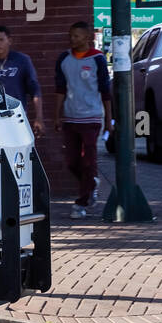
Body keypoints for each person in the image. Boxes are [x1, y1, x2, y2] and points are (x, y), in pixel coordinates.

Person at [54, 22, 113, 219]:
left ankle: (81, 203)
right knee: (72, 161)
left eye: (77, 36)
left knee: (89, 161)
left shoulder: (98, 59)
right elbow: (60, 89)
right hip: (71, 117)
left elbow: (105, 91)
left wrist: (109, 118)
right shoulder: (64, 58)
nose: (73, 39)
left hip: (92, 117)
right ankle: (92, 184)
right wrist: (57, 114)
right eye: (71, 35)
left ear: (87, 37)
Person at [0, 25, 45, 135]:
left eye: (1, 40)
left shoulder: (22, 60)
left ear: (9, 41)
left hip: (17, 115)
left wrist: (39, 117)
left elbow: (35, 90)